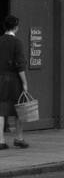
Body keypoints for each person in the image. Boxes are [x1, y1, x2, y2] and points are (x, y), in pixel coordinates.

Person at [0, 14, 31, 149]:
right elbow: (20, 65)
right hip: (13, 80)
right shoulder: (17, 43)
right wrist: (24, 83)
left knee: (0, 109)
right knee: (20, 108)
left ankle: (0, 140)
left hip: (0, 78)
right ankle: (18, 138)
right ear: (16, 27)